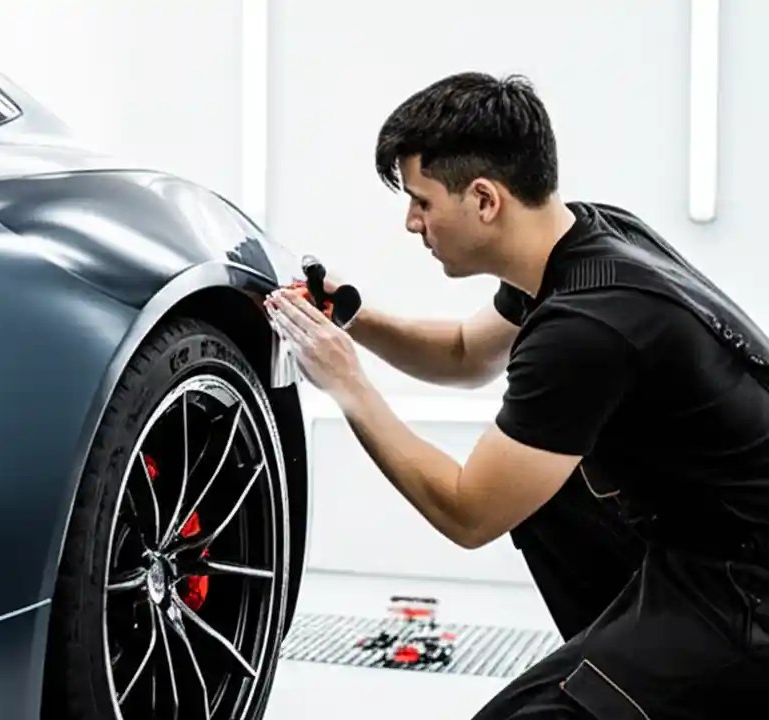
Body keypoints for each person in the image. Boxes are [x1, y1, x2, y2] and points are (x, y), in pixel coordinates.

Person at [266, 71, 769, 718]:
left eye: (421, 201)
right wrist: (352, 318)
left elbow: (468, 514)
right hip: (703, 540)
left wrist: (348, 386)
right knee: (545, 486)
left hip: (744, 593)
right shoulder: (585, 238)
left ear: (484, 199)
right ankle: (628, 665)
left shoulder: (588, 324)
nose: (411, 223)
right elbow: (464, 355)